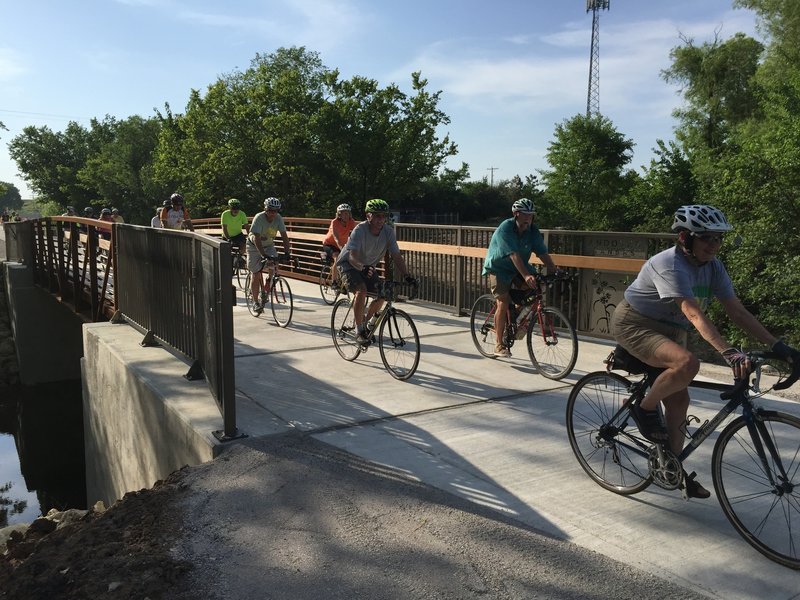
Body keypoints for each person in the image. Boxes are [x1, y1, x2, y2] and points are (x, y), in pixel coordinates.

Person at [610, 204, 800, 499]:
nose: (714, 245)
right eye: (706, 238)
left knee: (680, 400)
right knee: (687, 364)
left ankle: (670, 468)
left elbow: (736, 310)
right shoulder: (670, 264)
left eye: (718, 239)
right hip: (635, 323)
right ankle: (643, 408)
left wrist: (778, 346)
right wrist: (729, 353)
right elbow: (694, 313)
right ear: (685, 238)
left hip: (671, 329)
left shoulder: (713, 267)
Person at [481, 198, 560, 358]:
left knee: (535, 289)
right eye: (526, 214)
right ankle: (498, 344)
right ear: (516, 214)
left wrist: (554, 268)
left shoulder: (532, 231)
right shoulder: (506, 228)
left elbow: (542, 252)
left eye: (531, 215)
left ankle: (514, 317)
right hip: (499, 268)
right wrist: (526, 275)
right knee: (502, 302)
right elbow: (513, 254)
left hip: (519, 267)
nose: (529, 218)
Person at [336, 198, 415, 345]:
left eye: (383, 216)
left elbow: (396, 256)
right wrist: (363, 268)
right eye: (377, 215)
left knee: (382, 294)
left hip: (367, 266)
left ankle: (366, 323)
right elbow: (352, 256)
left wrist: (408, 276)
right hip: (349, 264)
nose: (381, 219)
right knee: (361, 290)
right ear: (368, 216)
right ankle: (359, 331)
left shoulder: (388, 232)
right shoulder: (360, 230)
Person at [246, 197, 291, 309]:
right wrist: (263, 254)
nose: (273, 213)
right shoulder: (259, 217)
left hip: (268, 244)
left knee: (274, 264)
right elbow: (256, 238)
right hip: (254, 246)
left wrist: (287, 252)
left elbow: (284, 236)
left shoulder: (278, 218)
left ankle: (268, 283)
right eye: (270, 210)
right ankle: (256, 302)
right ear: (265, 209)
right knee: (256, 273)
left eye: (275, 211)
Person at [321, 203, 356, 286]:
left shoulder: (351, 222)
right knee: (337, 258)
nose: (346, 215)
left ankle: (345, 281)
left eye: (348, 213)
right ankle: (334, 282)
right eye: (344, 213)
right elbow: (336, 238)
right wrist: (342, 248)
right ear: (339, 214)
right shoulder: (335, 222)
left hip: (342, 245)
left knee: (351, 260)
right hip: (329, 244)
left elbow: (356, 234)